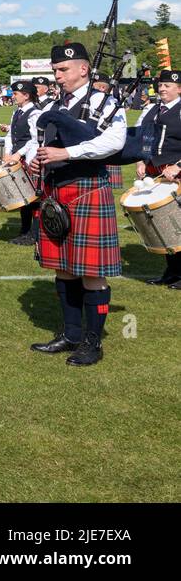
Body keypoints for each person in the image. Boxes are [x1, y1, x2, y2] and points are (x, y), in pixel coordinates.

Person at [29, 42, 125, 366]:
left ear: (83, 69)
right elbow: (46, 143)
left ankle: (92, 342)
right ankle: (70, 334)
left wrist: (68, 153)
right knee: (64, 267)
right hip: (56, 190)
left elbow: (114, 142)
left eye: (63, 70)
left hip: (87, 189)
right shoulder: (56, 103)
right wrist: (38, 159)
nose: (57, 75)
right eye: (55, 70)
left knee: (91, 272)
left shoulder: (104, 102)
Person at [135, 70, 181, 289]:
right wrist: (141, 160)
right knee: (162, 224)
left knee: (178, 224)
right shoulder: (153, 109)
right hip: (155, 172)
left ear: (179, 89)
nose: (162, 89)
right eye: (161, 85)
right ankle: (172, 272)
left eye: (167, 86)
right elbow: (144, 137)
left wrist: (178, 166)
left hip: (176, 171)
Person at [0, 80, 40, 245]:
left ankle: (34, 234)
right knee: (22, 198)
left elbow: (35, 139)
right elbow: (10, 135)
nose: (13, 96)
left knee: (34, 199)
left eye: (15, 94)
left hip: (30, 159)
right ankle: (24, 232)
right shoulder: (16, 112)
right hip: (17, 158)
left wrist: (18, 154)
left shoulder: (35, 113)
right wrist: (7, 153)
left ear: (26, 95)